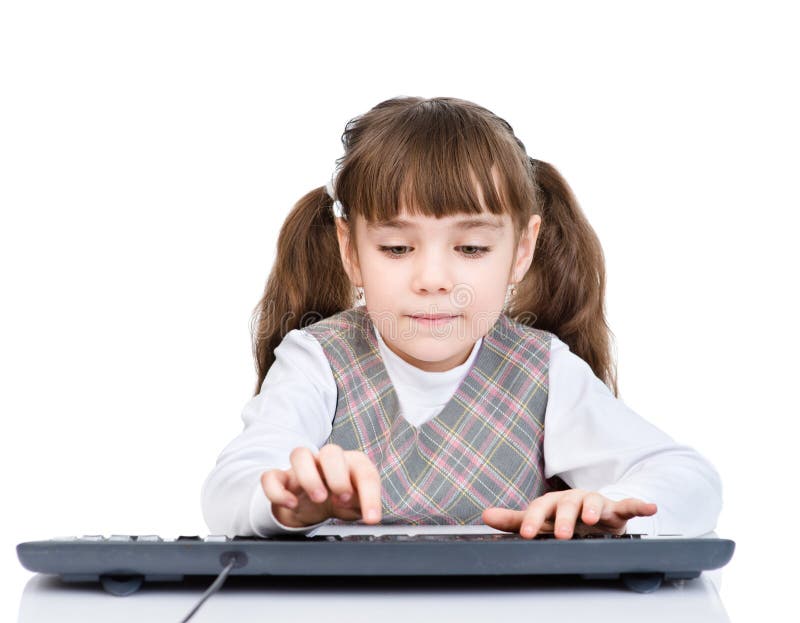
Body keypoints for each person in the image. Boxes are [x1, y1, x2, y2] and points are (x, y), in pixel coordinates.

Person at [201, 96, 723, 540]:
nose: (433, 279)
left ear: (521, 251)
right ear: (351, 251)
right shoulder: (317, 361)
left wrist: (608, 506)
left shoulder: (542, 370)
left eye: (471, 248)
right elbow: (230, 487)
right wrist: (286, 500)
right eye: (398, 247)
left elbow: (688, 477)